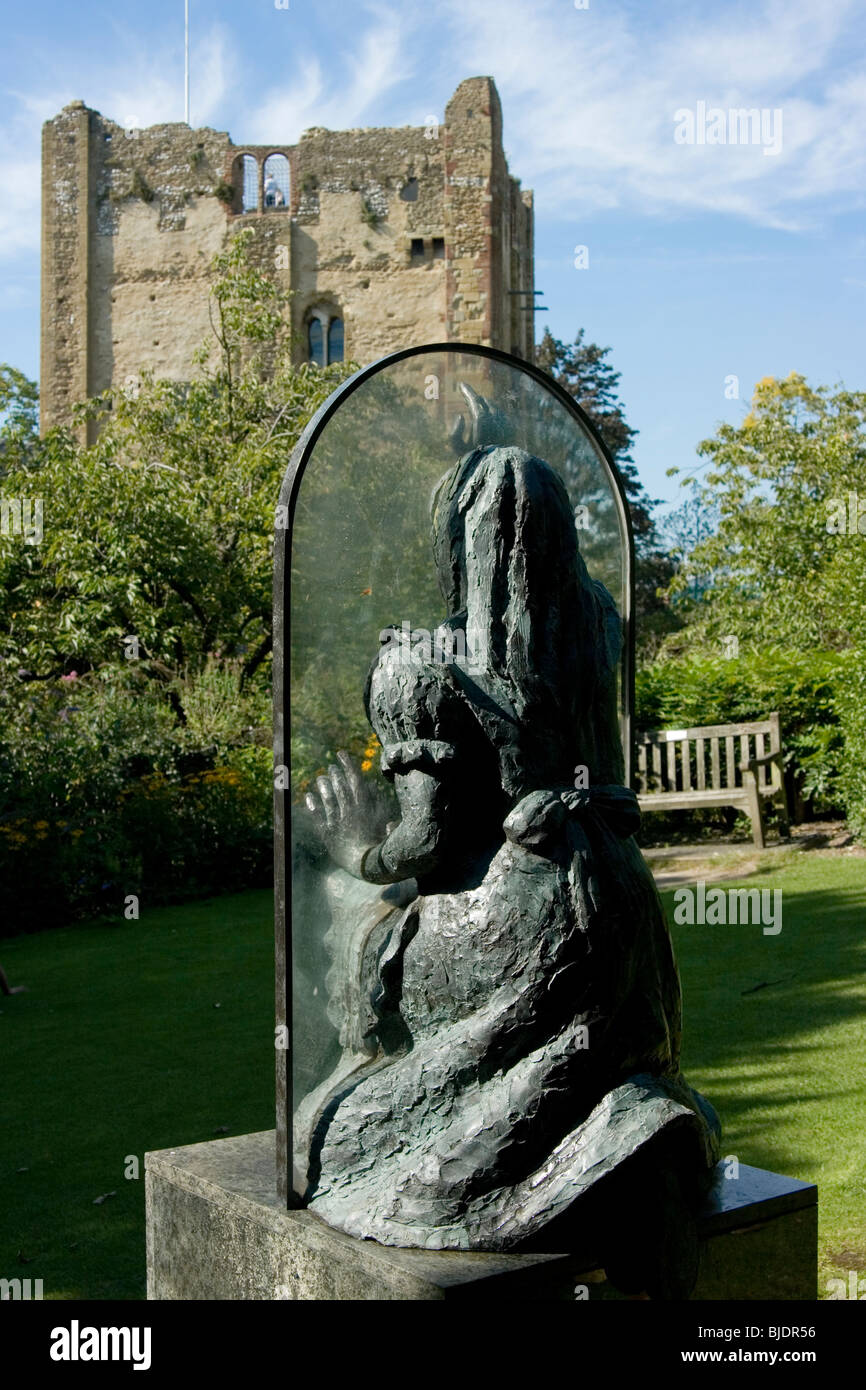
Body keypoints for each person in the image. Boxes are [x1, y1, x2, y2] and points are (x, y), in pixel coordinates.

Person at [300, 435, 720, 1296]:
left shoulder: (422, 662)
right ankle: (623, 1131)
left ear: (456, 543)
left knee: (358, 920)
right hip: (619, 903)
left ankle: (534, 1161)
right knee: (592, 1057)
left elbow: (419, 848)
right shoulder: (599, 626)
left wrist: (350, 852)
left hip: (518, 919)